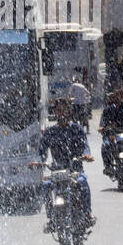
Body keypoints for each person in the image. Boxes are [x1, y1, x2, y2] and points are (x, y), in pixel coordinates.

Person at [32, 99, 95, 230]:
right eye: (58, 110)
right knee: (45, 186)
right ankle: (51, 218)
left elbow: (85, 146)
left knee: (83, 183)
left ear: (69, 111)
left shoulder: (76, 129)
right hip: (57, 172)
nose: (62, 113)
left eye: (64, 110)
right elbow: (41, 152)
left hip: (75, 171)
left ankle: (87, 214)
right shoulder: (50, 132)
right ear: (54, 112)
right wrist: (38, 161)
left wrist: (86, 155)